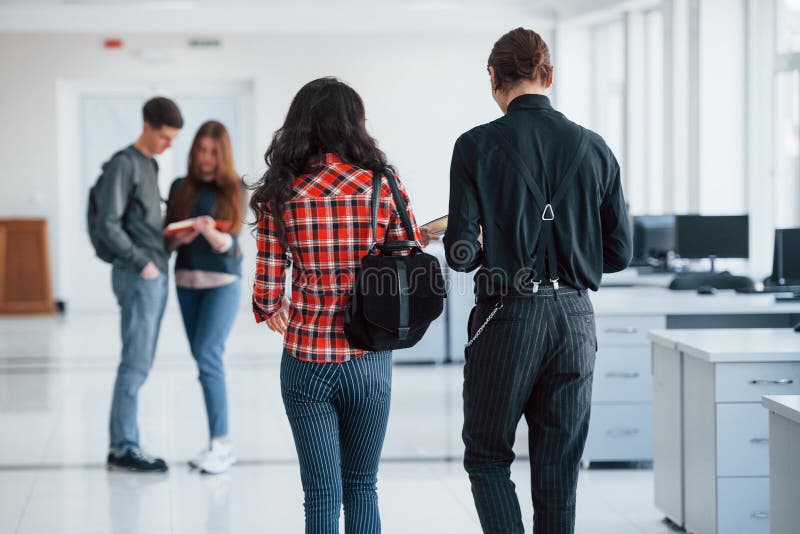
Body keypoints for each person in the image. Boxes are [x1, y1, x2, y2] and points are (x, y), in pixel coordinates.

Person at [444, 28, 632, 533]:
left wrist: (487, 241)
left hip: (508, 315)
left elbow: (461, 256)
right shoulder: (595, 148)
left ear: (492, 79)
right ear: (548, 75)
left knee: (487, 456)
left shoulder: (475, 146)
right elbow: (619, 252)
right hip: (574, 318)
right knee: (557, 471)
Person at [250, 77, 423, 533]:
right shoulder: (381, 182)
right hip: (368, 355)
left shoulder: (279, 191)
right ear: (355, 125)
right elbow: (406, 254)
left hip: (306, 356)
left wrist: (274, 308)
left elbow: (268, 293)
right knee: (362, 484)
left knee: (321, 493)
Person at [93, 96, 183, 472]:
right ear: (147, 125)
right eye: (164, 136)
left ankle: (125, 443)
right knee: (135, 362)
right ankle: (123, 447)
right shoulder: (123, 164)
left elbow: (142, 222)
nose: (168, 145)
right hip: (139, 275)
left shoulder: (149, 165)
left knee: (140, 361)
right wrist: (142, 262)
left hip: (154, 271)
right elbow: (107, 225)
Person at [164, 120, 244, 475]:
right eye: (200, 150)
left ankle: (222, 444)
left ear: (222, 153)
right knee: (201, 357)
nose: (206, 158)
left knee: (209, 355)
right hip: (185, 280)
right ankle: (216, 442)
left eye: (213, 152)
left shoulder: (235, 188)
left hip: (222, 282)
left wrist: (210, 234)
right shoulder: (180, 186)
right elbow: (167, 240)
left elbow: (233, 245)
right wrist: (180, 237)